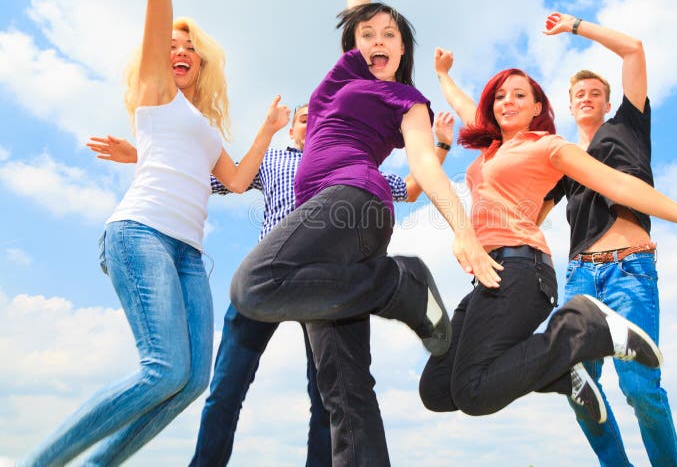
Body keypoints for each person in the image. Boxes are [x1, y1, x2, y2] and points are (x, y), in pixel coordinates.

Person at [228, 0, 502, 466]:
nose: (378, 39)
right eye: (367, 34)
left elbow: (423, 164)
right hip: (328, 244)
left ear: (403, 51)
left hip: (352, 205)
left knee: (253, 286)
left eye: (390, 35)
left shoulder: (406, 99)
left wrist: (462, 229)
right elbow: (357, 7)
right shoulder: (345, 77)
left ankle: (401, 283)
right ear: (355, 45)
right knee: (344, 391)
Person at [18, 0, 288, 465]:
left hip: (188, 254)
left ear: (203, 63)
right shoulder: (155, 91)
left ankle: (99, 463)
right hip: (140, 233)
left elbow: (234, 182)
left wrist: (267, 129)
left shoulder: (204, 127)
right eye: (172, 44)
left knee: (191, 382)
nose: (180, 50)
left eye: (190, 47)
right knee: (163, 369)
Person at [87, 106, 455, 466]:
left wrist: (440, 146)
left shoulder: (348, 167)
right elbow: (212, 177)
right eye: (304, 119)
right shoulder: (273, 159)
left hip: (325, 285)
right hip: (270, 279)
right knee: (226, 389)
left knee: (328, 395)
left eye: (321, 120)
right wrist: (139, 155)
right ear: (292, 129)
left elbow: (408, 189)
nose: (312, 125)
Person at [417, 47, 677, 430]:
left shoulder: (547, 147)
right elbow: (465, 107)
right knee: (436, 391)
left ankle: (582, 326)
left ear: (537, 108)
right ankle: (560, 374)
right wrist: (443, 74)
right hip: (488, 275)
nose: (507, 101)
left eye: (520, 95)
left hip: (520, 271)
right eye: (500, 95)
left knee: (474, 394)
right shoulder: (491, 149)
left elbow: (618, 184)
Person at [540, 12, 677, 466]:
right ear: (570, 104)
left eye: (595, 94)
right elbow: (529, 216)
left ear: (607, 104)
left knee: (640, 388)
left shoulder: (627, 127)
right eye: (579, 93)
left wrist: (575, 26)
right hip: (580, 278)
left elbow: (634, 49)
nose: (587, 98)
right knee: (577, 383)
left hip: (628, 269)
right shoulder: (563, 159)